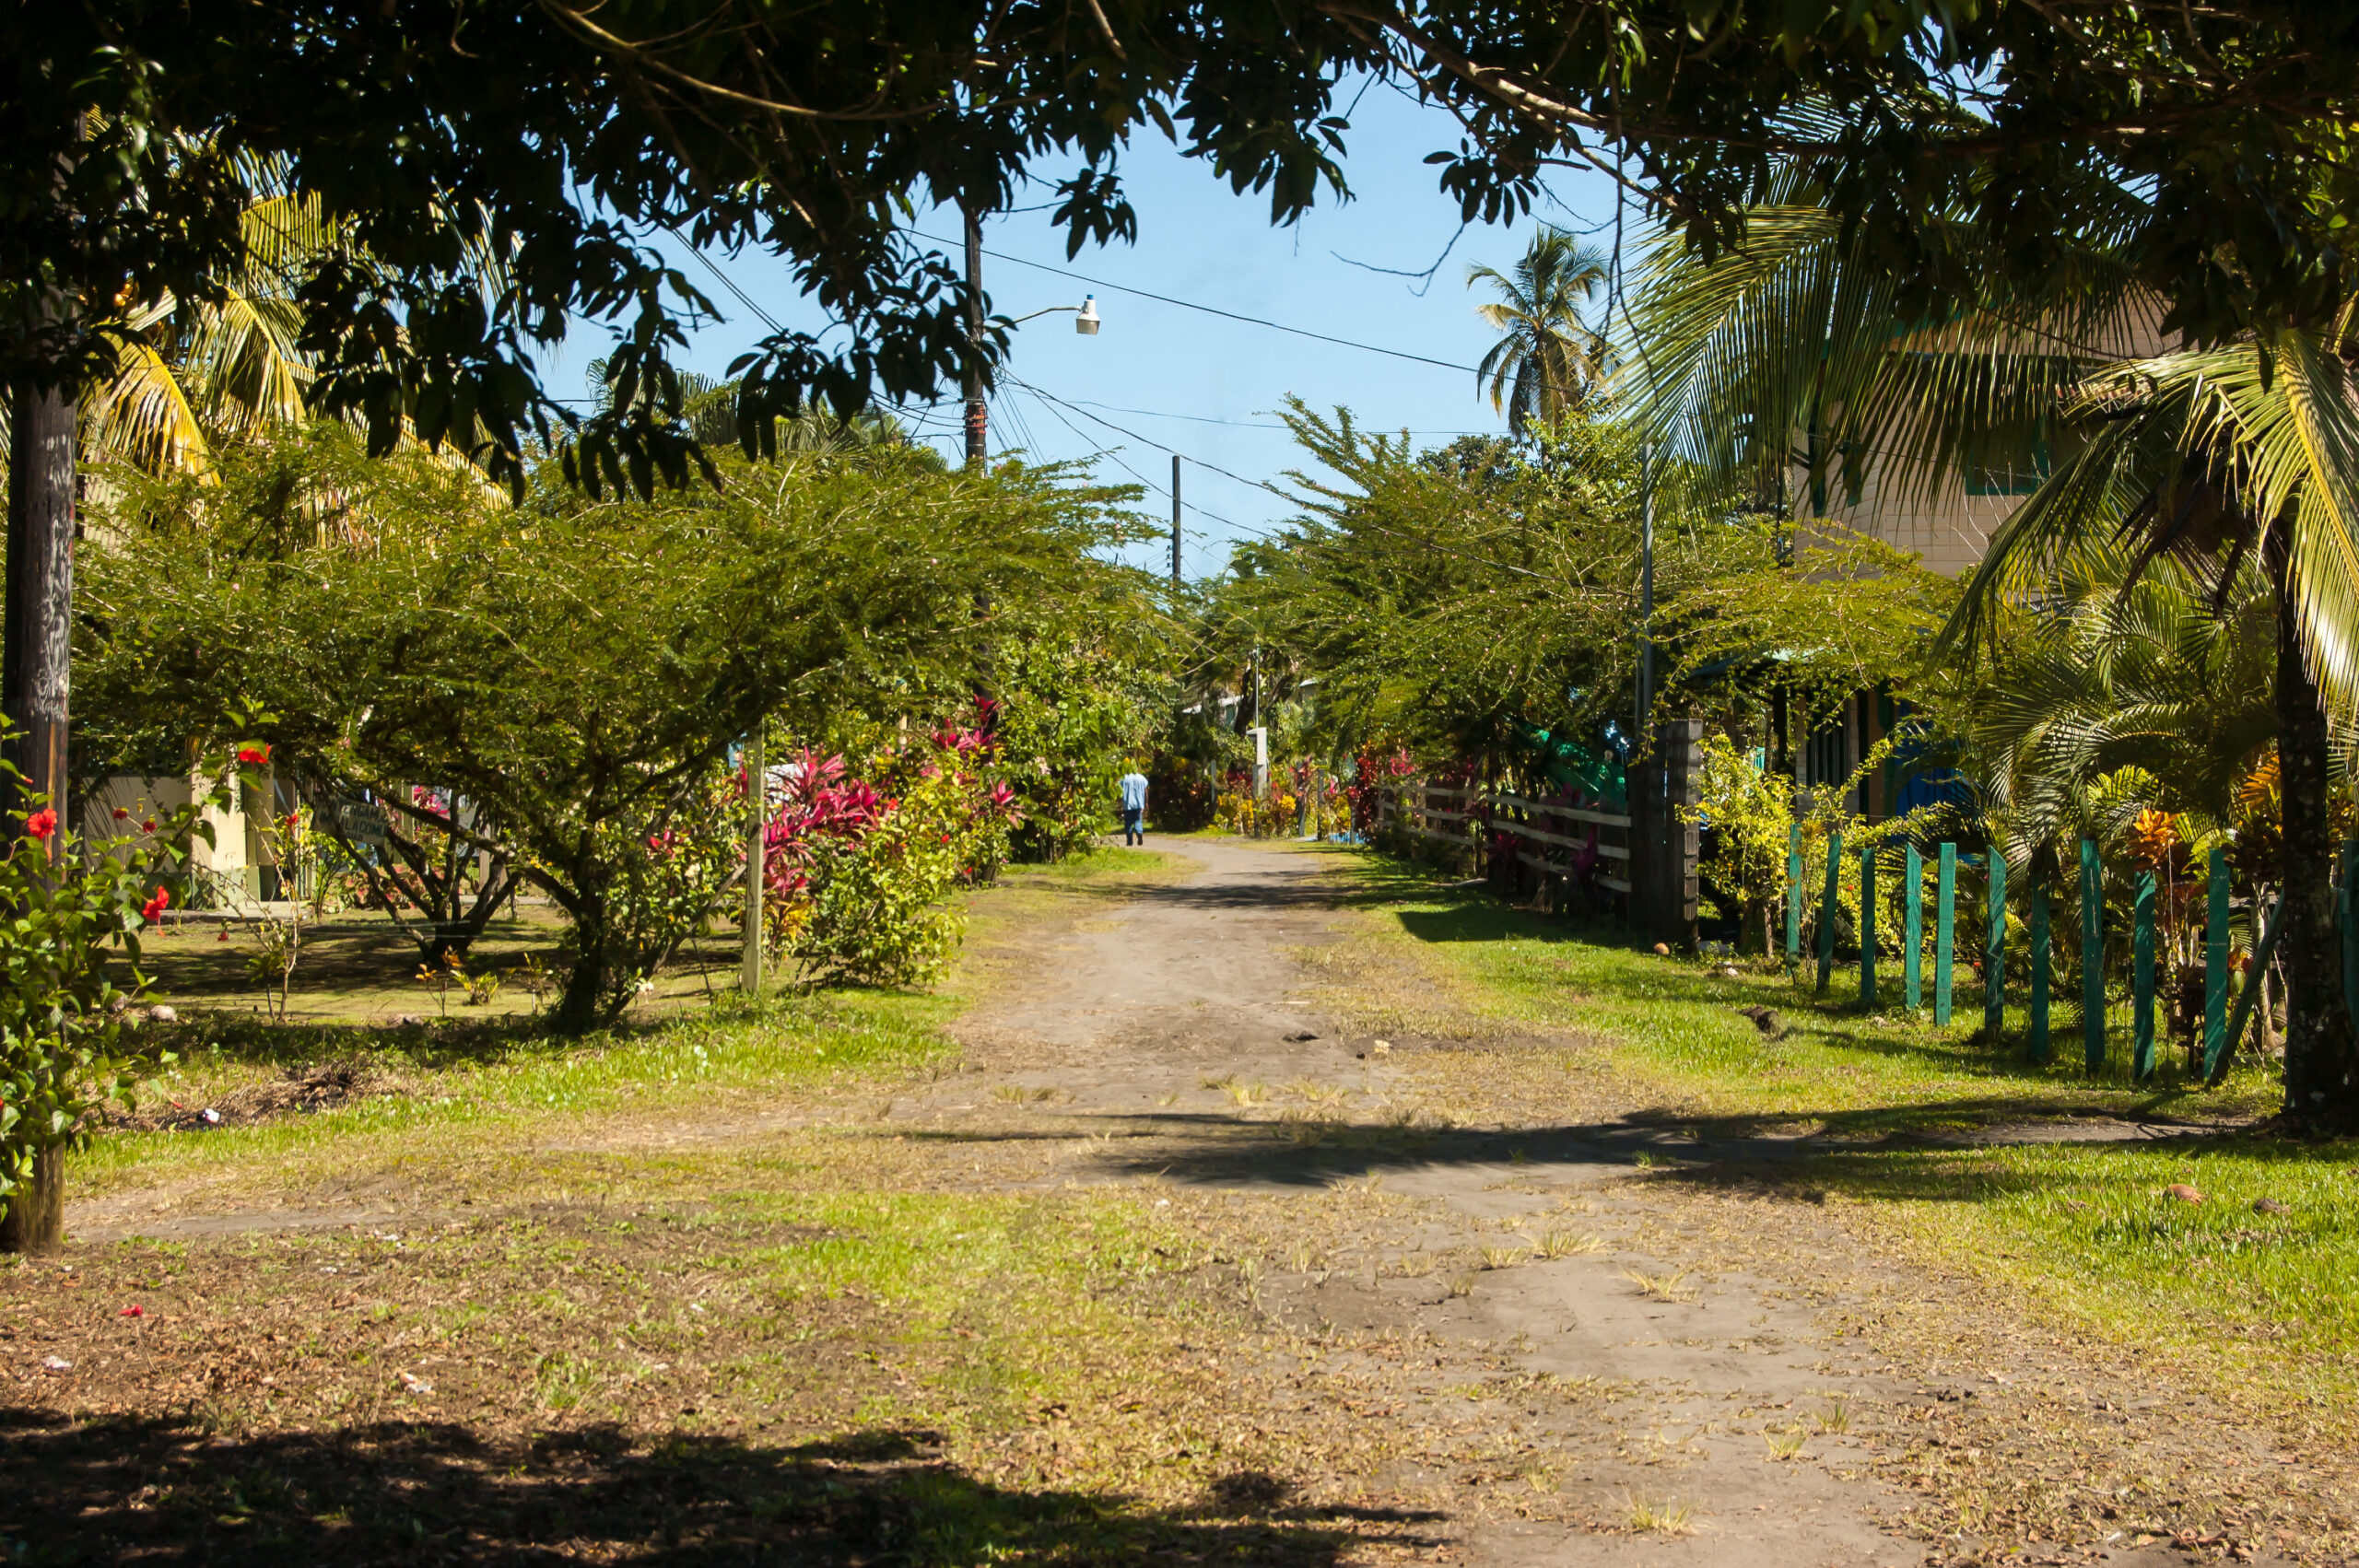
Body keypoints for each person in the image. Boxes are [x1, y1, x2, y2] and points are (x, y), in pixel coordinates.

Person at [1117, 765, 1149, 846]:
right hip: (1139, 804)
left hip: (1127, 804)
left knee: (1128, 823)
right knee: (1138, 821)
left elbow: (1118, 790)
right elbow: (1145, 791)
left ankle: (1130, 841)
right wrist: (1146, 802)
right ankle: (1139, 832)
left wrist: (1118, 801)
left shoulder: (1123, 778)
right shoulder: (1142, 778)